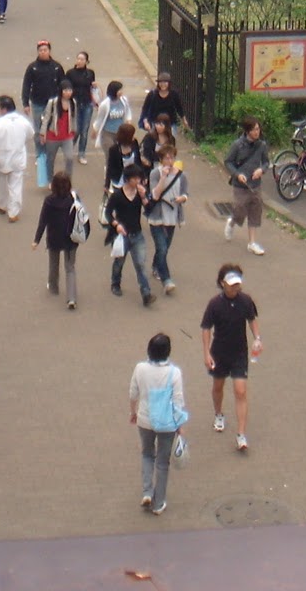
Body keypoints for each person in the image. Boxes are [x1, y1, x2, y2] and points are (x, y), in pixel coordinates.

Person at [202, 264, 262, 452]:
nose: (236, 288)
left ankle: (241, 435)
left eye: (238, 284)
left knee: (241, 391)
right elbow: (206, 328)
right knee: (218, 386)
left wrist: (257, 338)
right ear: (222, 284)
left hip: (239, 353)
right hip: (219, 352)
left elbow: (252, 319)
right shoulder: (214, 304)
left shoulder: (245, 301)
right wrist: (206, 353)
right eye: (232, 285)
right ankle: (219, 414)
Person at [128, 332, 187, 515]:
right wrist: (180, 425)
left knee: (147, 454)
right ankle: (159, 501)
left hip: (145, 420)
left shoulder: (140, 368)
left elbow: (133, 393)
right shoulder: (174, 373)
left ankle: (146, 491)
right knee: (162, 462)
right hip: (167, 423)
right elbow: (178, 401)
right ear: (168, 351)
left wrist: (133, 412)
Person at [106, 164, 157, 307]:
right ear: (128, 179)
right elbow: (108, 213)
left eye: (139, 178)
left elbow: (149, 209)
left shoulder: (140, 193)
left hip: (137, 235)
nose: (138, 181)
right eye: (135, 178)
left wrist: (143, 196)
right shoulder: (117, 195)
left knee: (140, 264)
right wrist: (116, 225)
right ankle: (115, 283)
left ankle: (146, 293)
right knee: (119, 262)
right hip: (122, 236)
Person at [33, 171, 84, 308]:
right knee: (70, 267)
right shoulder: (73, 198)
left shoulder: (49, 201)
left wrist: (36, 239)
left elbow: (43, 221)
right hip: (71, 237)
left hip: (54, 237)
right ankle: (71, 298)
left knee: (53, 264)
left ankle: (54, 287)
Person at [0, 95, 36, 222]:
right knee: (16, 186)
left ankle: (1, 205)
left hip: (1, 159)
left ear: (3, 109)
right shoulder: (23, 122)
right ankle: (13, 213)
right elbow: (31, 134)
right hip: (18, 158)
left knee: (1, 184)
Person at [223, 116, 269, 256]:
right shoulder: (237, 145)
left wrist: (261, 170)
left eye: (258, 129)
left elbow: (266, 162)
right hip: (240, 185)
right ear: (248, 130)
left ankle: (252, 243)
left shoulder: (262, 145)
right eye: (254, 129)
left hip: (255, 185)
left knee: (255, 211)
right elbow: (228, 162)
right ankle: (232, 221)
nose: (257, 132)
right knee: (240, 209)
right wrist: (237, 174)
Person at [146, 142, 188, 294]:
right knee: (162, 247)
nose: (169, 161)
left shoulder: (181, 175)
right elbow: (155, 194)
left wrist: (182, 199)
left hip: (172, 215)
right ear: (161, 159)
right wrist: (163, 177)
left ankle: (156, 266)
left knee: (164, 248)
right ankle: (167, 280)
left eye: (172, 158)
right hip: (157, 215)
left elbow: (185, 193)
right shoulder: (155, 174)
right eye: (166, 158)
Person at [38, 81, 79, 189]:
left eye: (70, 90)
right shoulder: (53, 102)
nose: (68, 93)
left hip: (67, 136)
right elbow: (46, 118)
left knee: (70, 158)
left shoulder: (73, 102)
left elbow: (74, 118)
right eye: (66, 90)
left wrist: (74, 131)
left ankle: (67, 181)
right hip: (53, 136)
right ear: (61, 91)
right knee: (50, 159)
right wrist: (42, 133)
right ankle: (51, 180)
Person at [21, 40, 67, 134]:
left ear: (49, 51)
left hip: (53, 102)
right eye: (41, 50)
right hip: (37, 103)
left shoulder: (57, 67)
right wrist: (25, 103)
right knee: (38, 128)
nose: (43, 52)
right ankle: (40, 148)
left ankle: (49, 147)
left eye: (45, 50)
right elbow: (26, 85)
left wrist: (64, 100)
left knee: (52, 127)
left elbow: (63, 84)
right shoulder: (32, 67)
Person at [65, 52, 98, 167]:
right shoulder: (70, 73)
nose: (79, 61)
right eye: (78, 58)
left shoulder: (90, 73)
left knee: (84, 130)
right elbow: (66, 87)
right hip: (75, 104)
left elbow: (92, 88)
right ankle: (69, 150)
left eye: (82, 59)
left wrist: (94, 87)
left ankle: (82, 154)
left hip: (87, 103)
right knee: (77, 129)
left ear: (86, 61)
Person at [93, 79, 134, 157]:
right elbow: (100, 119)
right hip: (107, 133)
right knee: (110, 155)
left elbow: (127, 112)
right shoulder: (105, 105)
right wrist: (95, 130)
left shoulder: (124, 100)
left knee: (120, 155)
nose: (121, 92)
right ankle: (108, 168)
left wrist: (129, 122)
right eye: (119, 90)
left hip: (120, 133)